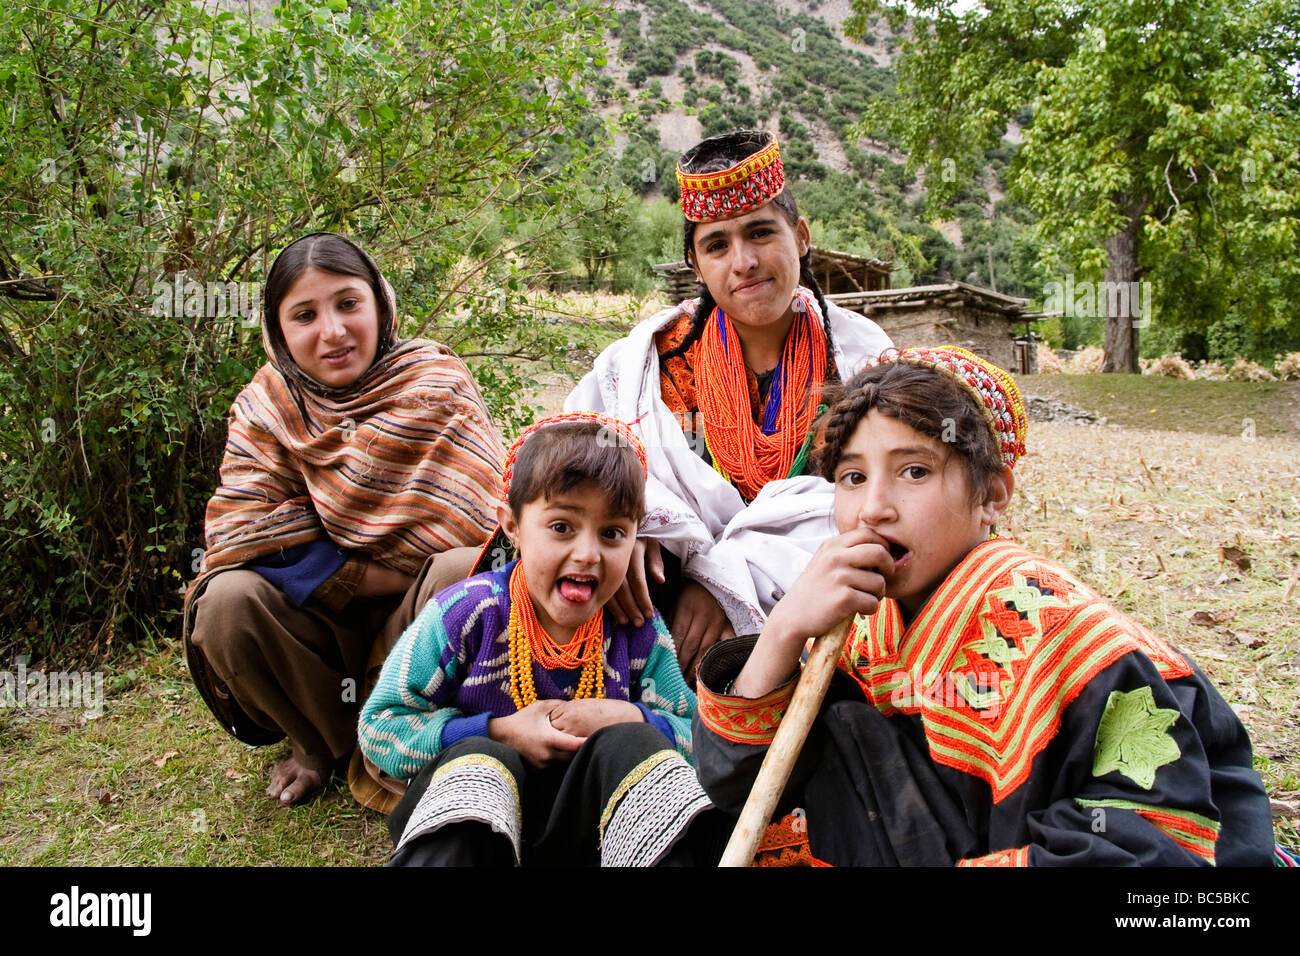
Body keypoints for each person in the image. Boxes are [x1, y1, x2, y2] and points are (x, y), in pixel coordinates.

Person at [693, 345, 1277, 866]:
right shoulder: (860, 625)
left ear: (992, 496)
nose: (872, 509)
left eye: (914, 471)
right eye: (851, 477)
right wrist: (784, 631)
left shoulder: (1053, 625)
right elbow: (741, 789)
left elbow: (1148, 841)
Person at [183, 233, 504, 806]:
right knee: (227, 604)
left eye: (348, 303)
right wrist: (362, 577)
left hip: (426, 610)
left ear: (379, 304)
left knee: (468, 571)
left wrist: (411, 579)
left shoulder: (435, 381)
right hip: (319, 626)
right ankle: (318, 746)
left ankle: (417, 739)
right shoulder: (270, 405)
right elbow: (248, 530)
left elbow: (488, 528)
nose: (332, 331)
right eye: (305, 315)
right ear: (278, 331)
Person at [566, 130, 893, 680]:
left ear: (802, 236)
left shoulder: (864, 364)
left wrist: (722, 583)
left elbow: (877, 509)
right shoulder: (650, 364)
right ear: (696, 264)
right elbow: (571, 454)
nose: (742, 262)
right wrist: (626, 525)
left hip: (815, 599)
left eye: (761, 232)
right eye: (716, 245)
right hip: (661, 588)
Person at [359, 413, 720, 866]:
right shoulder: (466, 615)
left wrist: (632, 717)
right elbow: (380, 727)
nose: (587, 554)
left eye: (612, 533)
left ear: (635, 538)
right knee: (481, 758)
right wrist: (496, 732)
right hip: (474, 840)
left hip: (595, 838)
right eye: (562, 527)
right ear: (511, 525)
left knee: (635, 743)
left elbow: (699, 737)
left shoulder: (638, 633)